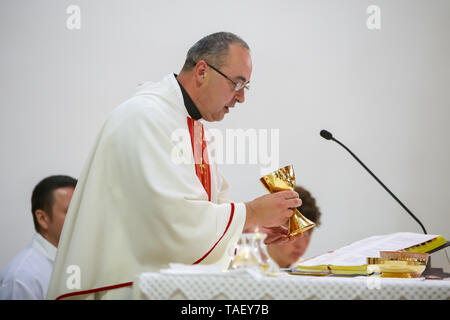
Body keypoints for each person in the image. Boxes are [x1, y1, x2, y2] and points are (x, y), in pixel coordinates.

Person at [46, 32, 301, 300]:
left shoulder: (193, 127)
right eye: (237, 84)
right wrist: (250, 213)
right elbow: (169, 221)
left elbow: (204, 213)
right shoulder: (145, 117)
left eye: (245, 87)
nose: (241, 98)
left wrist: (247, 229)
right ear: (202, 71)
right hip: (126, 288)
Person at [0, 175, 77, 299]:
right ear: (42, 218)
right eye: (71, 211)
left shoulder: (77, 262)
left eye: (82, 210)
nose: (81, 217)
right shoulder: (22, 278)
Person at [267, 186, 322, 268]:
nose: (300, 245)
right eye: (294, 232)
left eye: (307, 234)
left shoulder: (307, 273)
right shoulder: (246, 269)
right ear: (273, 226)